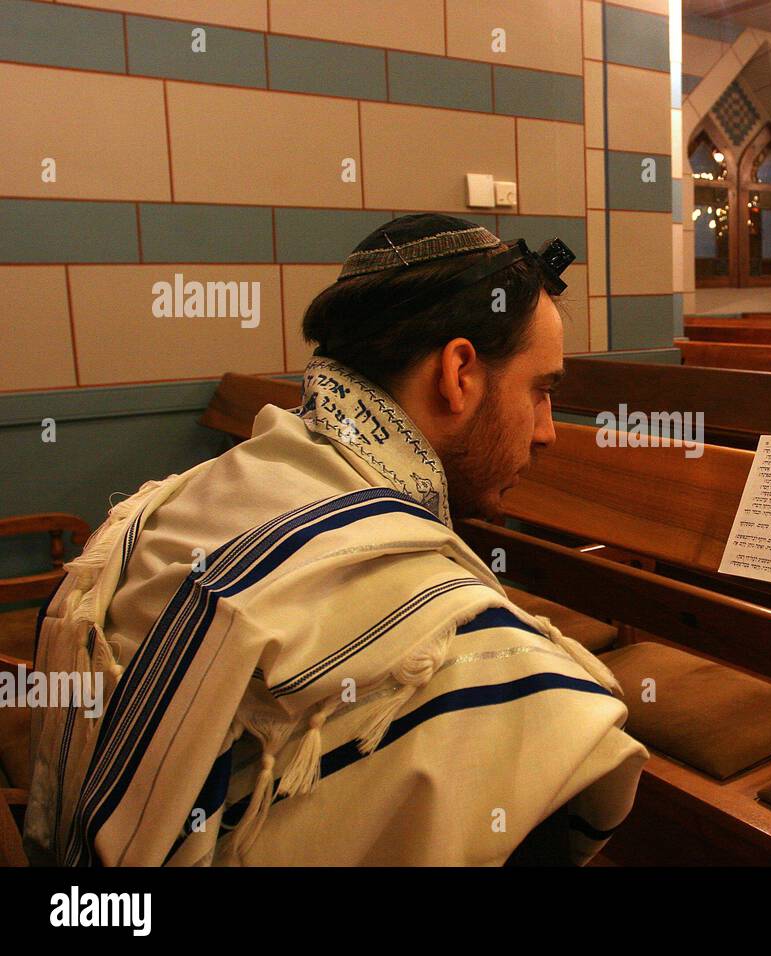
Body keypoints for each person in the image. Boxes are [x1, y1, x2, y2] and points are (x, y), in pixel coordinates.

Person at [25, 214, 647, 866]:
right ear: (459, 372)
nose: (546, 430)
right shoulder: (461, 638)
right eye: (541, 390)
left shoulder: (193, 493)